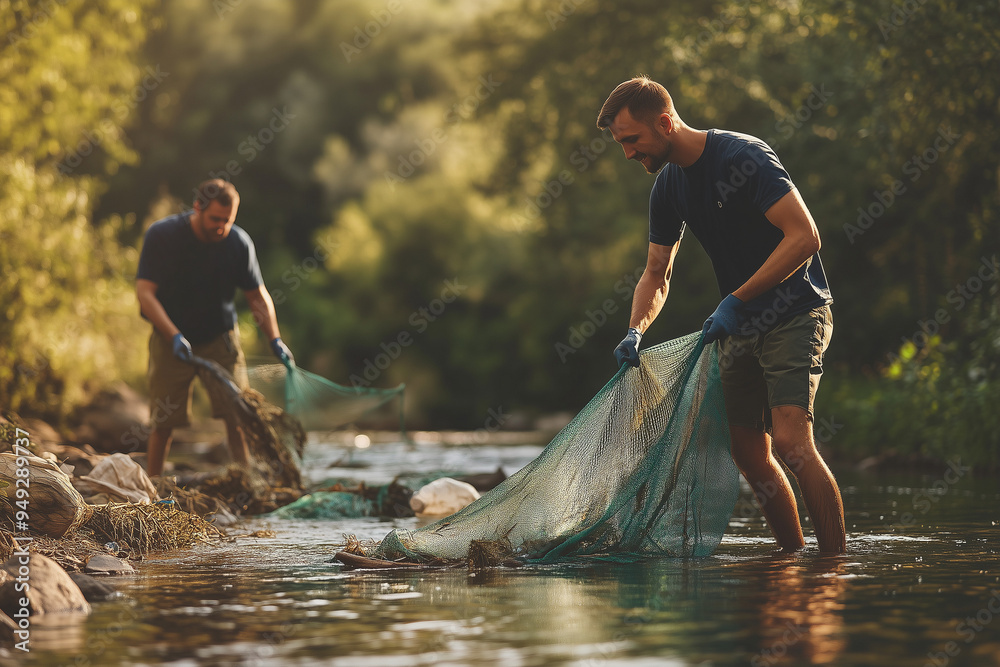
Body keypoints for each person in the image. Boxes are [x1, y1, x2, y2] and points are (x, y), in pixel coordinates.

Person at [597, 77, 846, 554]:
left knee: (793, 443)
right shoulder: (667, 187)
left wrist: (736, 298)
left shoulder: (743, 157)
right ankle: (791, 561)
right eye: (620, 144)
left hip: (795, 311)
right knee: (749, 454)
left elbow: (805, 237)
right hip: (738, 328)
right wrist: (634, 330)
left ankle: (834, 567)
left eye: (631, 140)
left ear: (666, 123)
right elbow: (656, 272)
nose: (627, 153)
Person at [135, 179, 294, 477]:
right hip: (170, 338)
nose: (221, 227)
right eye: (215, 219)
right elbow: (145, 293)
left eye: (227, 220)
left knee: (237, 414)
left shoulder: (238, 243)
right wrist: (174, 335)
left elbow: (257, 297)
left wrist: (275, 339)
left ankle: (246, 481)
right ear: (197, 208)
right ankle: (153, 487)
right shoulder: (164, 235)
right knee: (164, 421)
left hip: (220, 340)